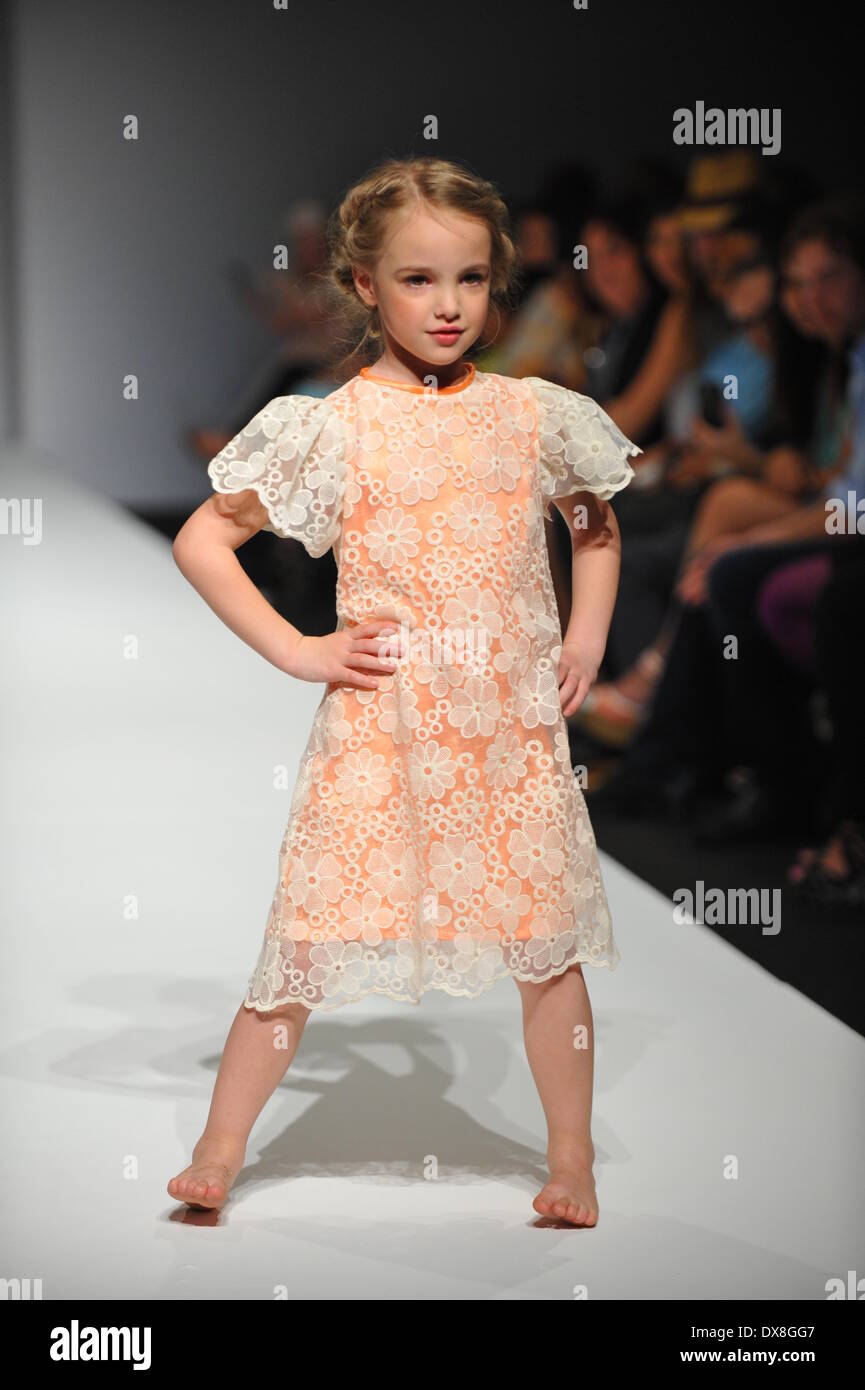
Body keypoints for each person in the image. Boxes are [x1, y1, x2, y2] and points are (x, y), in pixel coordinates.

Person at [168, 156, 641, 1223]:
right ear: (363, 284)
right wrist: (297, 647)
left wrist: (586, 633)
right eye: (420, 280)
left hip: (506, 733)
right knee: (301, 940)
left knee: (546, 947)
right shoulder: (333, 422)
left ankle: (570, 1156)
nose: (448, 304)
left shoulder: (532, 411)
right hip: (381, 727)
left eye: (471, 279)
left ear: (497, 284)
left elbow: (593, 522)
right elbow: (205, 538)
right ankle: (219, 1144)